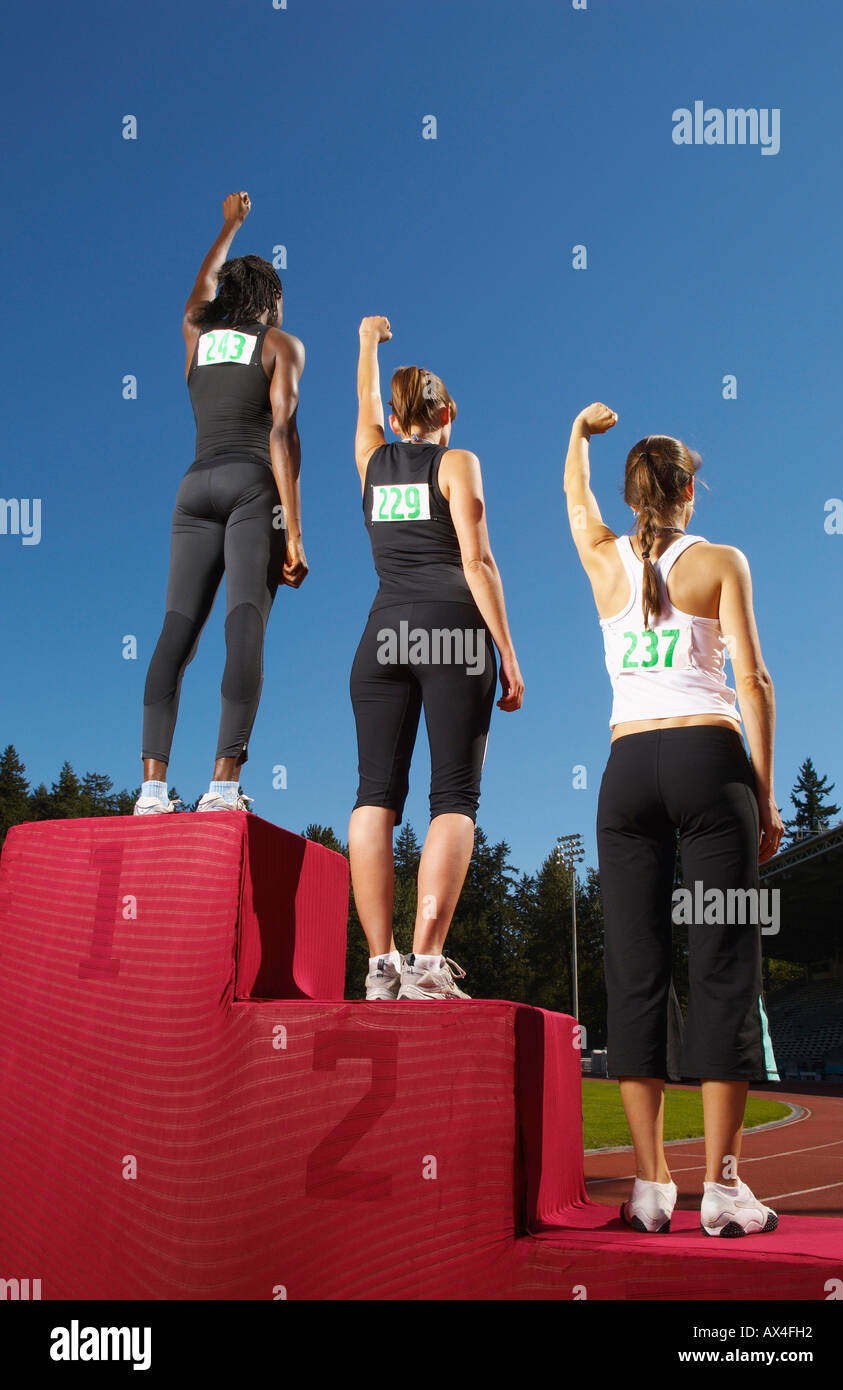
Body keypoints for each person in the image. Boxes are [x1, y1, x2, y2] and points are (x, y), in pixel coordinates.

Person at [564, 402, 783, 1238]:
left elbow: (571, 498)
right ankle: (721, 1188)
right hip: (706, 763)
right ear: (688, 490)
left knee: (634, 968)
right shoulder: (720, 560)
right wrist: (761, 795)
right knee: (723, 963)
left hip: (624, 775)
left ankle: (651, 1186)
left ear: (630, 499)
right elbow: (755, 682)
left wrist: (577, 436)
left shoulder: (600, 559)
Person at [350, 316, 524, 1000]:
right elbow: (477, 560)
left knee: (373, 796)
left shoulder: (370, 457)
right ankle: (425, 965)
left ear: (394, 420)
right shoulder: (458, 462)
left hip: (382, 633)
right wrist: (508, 654)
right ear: (446, 413)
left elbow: (363, 409)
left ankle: (379, 965)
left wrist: (366, 345)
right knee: (452, 795)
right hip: (452, 626)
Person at [134, 192, 307, 815]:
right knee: (244, 627)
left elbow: (199, 289)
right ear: (266, 300)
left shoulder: (196, 336)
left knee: (175, 632)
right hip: (251, 486)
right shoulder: (279, 346)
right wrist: (293, 532)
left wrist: (228, 225)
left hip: (193, 487)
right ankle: (223, 785)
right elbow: (281, 434)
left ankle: (152, 789)